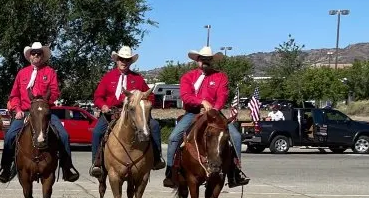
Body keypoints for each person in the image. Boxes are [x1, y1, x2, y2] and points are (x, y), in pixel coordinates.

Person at [163, 46, 249, 188]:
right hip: (193, 113)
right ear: (197, 60)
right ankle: (170, 172)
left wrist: (214, 109)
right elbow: (185, 96)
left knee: (236, 136)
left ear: (212, 61)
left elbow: (222, 95)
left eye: (208, 59)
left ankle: (235, 173)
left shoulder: (220, 77)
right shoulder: (188, 77)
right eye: (203, 59)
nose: (206, 62)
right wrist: (201, 102)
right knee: (173, 138)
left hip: (214, 113)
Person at [0, 42, 79, 183]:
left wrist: (44, 102)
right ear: (29, 56)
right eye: (33, 53)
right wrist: (17, 109)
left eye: (39, 53)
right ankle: (5, 167)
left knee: (64, 135)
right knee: (9, 136)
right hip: (26, 112)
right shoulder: (22, 73)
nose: (36, 56)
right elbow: (14, 95)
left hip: (44, 112)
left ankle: (67, 167)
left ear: (42, 56)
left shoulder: (50, 72)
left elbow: (54, 91)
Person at [88, 46, 164, 178]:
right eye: (121, 59)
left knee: (155, 126)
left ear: (130, 62)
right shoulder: (108, 77)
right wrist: (103, 105)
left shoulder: (138, 79)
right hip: (111, 113)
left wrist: (144, 102)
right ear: (117, 60)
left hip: (134, 114)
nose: (124, 62)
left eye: (127, 60)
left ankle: (156, 159)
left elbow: (149, 96)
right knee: (97, 132)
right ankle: (97, 163)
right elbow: (98, 96)